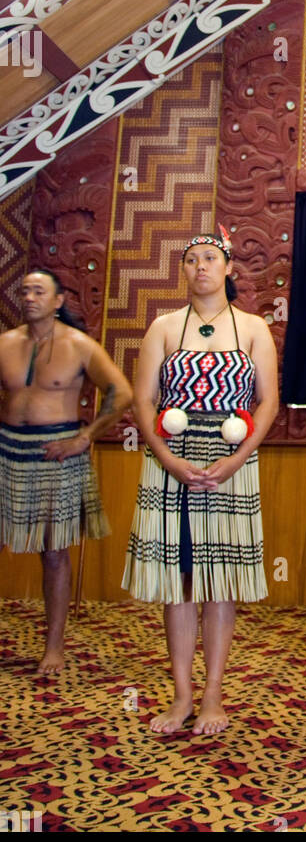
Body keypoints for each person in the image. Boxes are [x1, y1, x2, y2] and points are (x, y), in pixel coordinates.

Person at [122, 227, 278, 735]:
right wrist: (166, 458)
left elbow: (268, 403)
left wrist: (236, 461)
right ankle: (182, 694)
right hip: (172, 463)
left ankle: (213, 694)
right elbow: (143, 401)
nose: (201, 267)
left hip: (230, 463)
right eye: (192, 260)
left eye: (211, 258)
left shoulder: (253, 328)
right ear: (184, 270)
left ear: (229, 268)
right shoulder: (164, 328)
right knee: (180, 581)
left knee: (219, 582)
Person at [0, 268, 132, 675]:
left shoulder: (79, 345)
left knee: (54, 552)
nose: (29, 297)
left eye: (39, 291)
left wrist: (85, 436)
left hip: (57, 452)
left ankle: (53, 647)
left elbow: (122, 392)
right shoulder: (5, 343)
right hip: (7, 449)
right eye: (24, 291)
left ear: (58, 300)